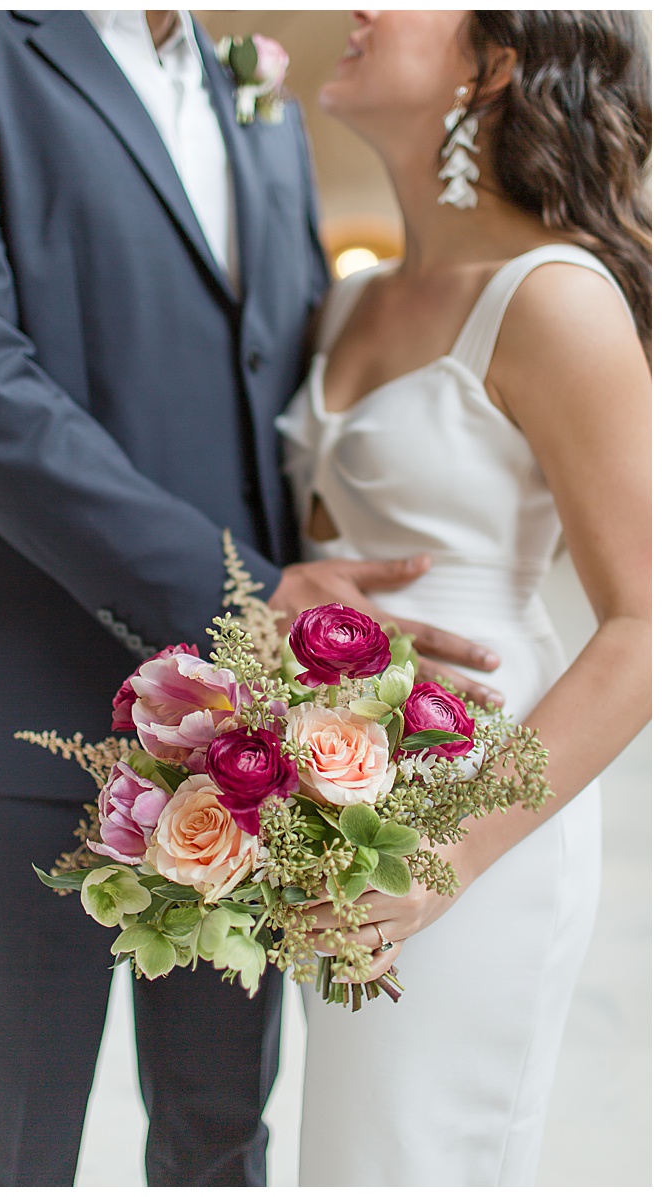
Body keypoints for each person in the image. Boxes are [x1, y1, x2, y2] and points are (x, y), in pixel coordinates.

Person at [0, 9, 503, 1187]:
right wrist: (241, 596)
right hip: (24, 682)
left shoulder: (244, 83)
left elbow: (276, 365)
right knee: (14, 1129)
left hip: (250, 730)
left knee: (221, 1130)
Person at [278, 11, 649, 1184]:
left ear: (490, 70)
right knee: (348, 1156)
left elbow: (645, 626)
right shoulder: (346, 302)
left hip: (482, 803)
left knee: (424, 1154)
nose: (362, 9)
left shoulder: (552, 296)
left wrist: (442, 859)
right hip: (336, 793)